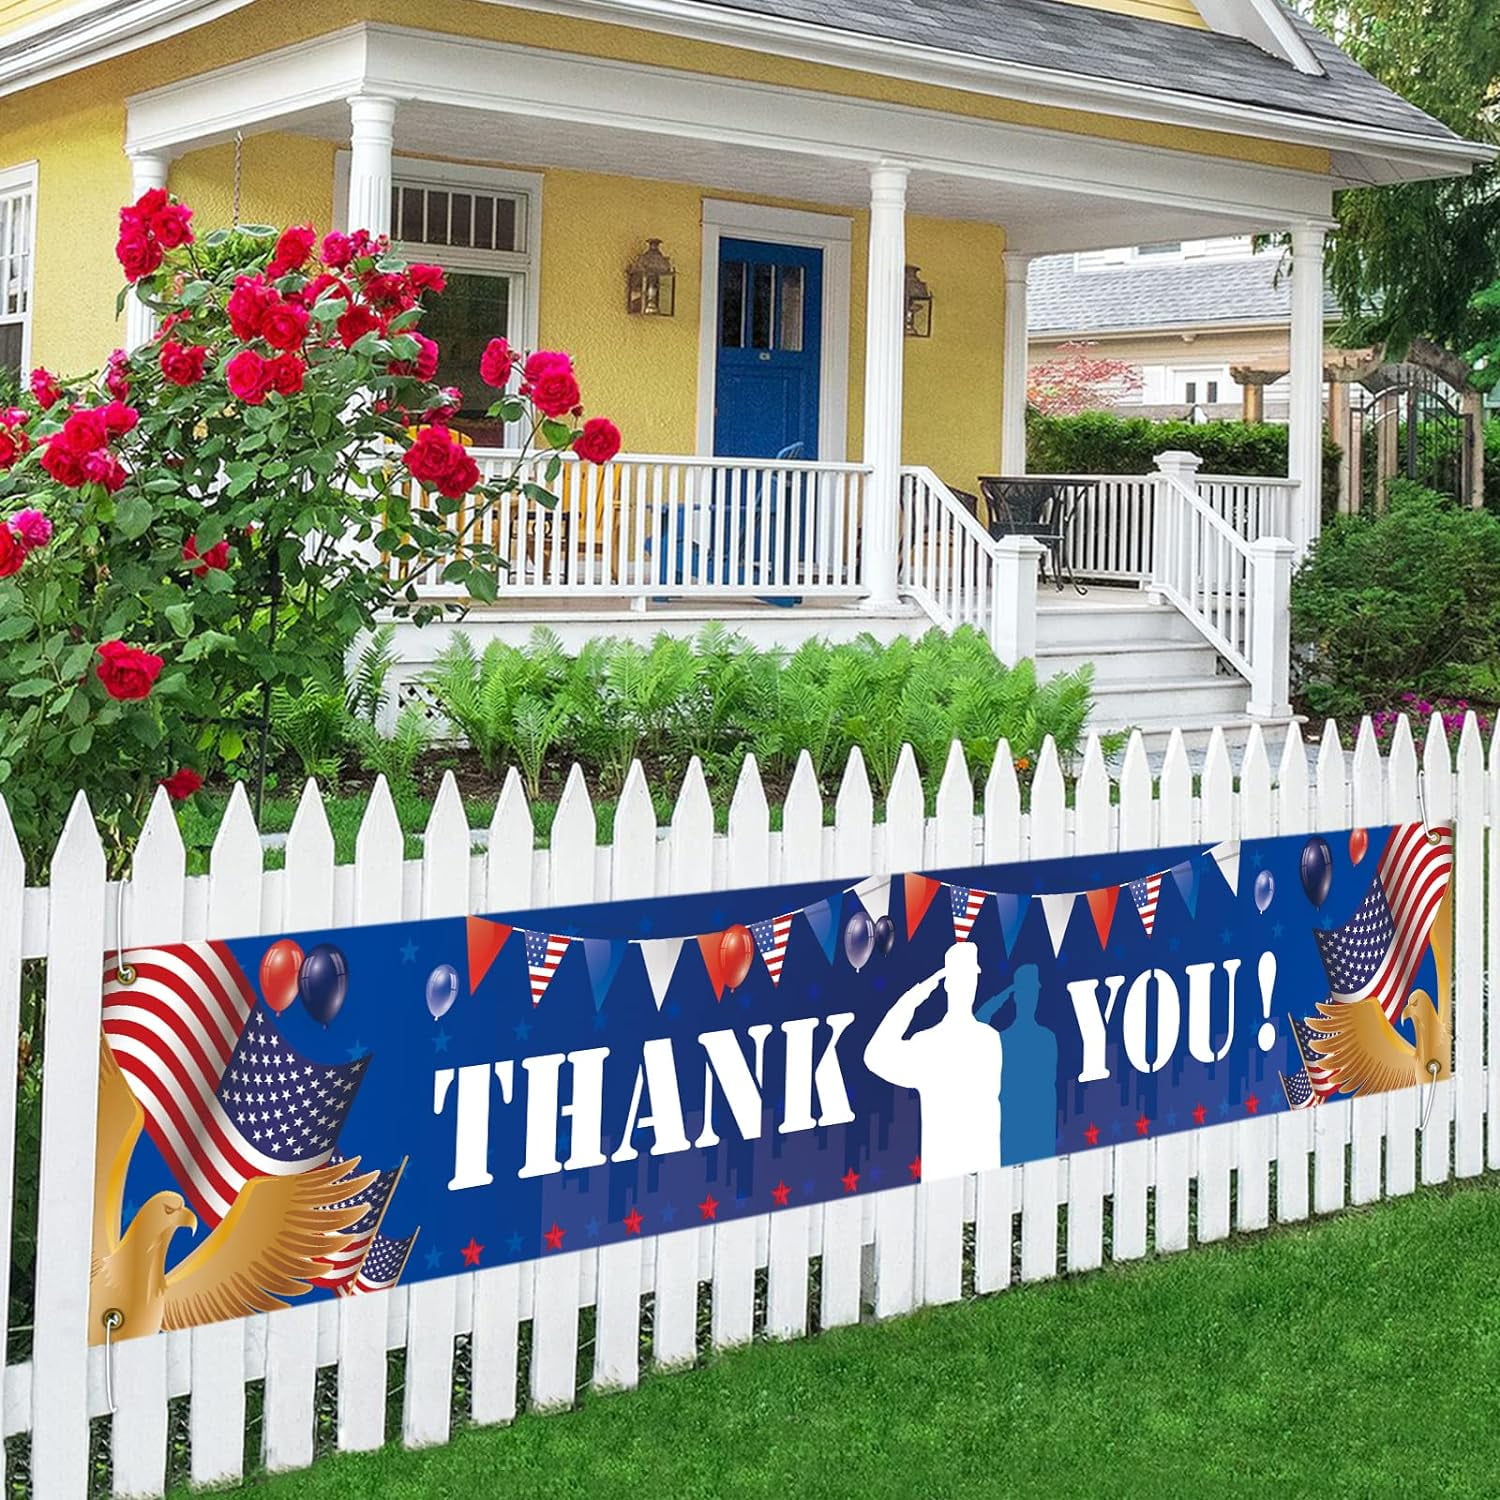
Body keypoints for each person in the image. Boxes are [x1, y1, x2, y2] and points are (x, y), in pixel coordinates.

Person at [863, 942, 1001, 1181]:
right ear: (947, 984)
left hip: (985, 1165)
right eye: (961, 979)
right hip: (943, 1171)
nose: (968, 986)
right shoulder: (928, 1043)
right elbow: (874, 1056)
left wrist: (915, 998)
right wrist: (914, 997)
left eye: (971, 979)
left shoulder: (987, 1038)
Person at [977, 964, 1057, 1166]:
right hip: (1012, 1123)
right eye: (1025, 992)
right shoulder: (1002, 1039)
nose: (1031, 999)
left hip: (1040, 1123)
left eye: (1033, 993)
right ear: (1016, 996)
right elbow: (976, 1026)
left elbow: (1050, 1086)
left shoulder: (1047, 1037)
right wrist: (1004, 995)